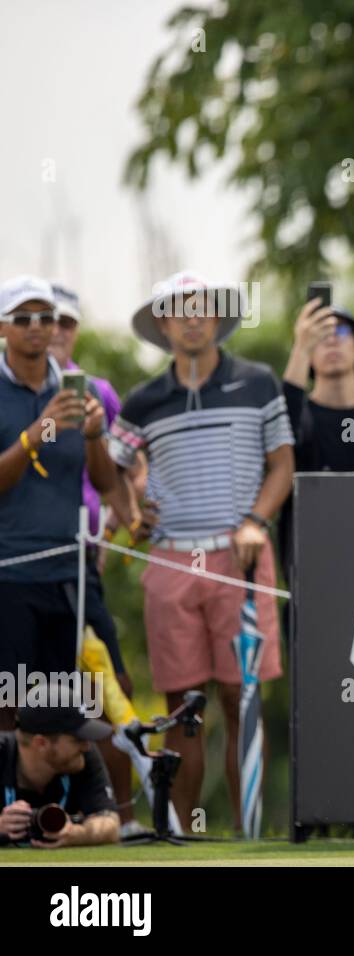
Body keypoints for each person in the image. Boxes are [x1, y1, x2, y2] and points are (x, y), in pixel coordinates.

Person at [107, 271, 294, 834]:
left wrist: (257, 521)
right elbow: (110, 468)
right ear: (163, 325)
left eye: (202, 309)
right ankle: (183, 835)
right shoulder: (143, 400)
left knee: (241, 698)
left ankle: (246, 833)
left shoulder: (258, 383)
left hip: (240, 557)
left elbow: (282, 464)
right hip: (170, 561)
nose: (192, 318)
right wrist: (131, 513)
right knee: (183, 709)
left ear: (217, 319)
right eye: (179, 310)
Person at [0, 276, 122, 729]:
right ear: (2, 328)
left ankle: (78, 804)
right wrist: (35, 435)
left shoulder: (79, 390)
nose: (37, 326)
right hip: (9, 575)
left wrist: (93, 437)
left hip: (69, 576)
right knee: (10, 707)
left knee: (75, 709)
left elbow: (106, 482)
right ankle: (10, 802)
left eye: (46, 318)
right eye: (23, 317)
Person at [49, 282, 143, 835]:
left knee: (113, 686)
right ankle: (38, 808)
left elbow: (126, 467)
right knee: (33, 686)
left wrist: (121, 524)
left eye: (66, 322)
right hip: (28, 563)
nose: (57, 330)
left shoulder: (100, 392)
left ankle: (122, 817)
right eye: (46, 320)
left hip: (85, 564)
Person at [278, 297, 354, 635]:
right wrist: (300, 348)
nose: (331, 339)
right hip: (309, 588)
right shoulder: (292, 418)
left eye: (341, 331)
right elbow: (275, 445)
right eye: (319, 334)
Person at [0, 692, 120, 848]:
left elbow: (111, 823)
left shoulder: (82, 757)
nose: (87, 746)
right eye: (78, 739)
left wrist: (78, 834)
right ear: (41, 743)